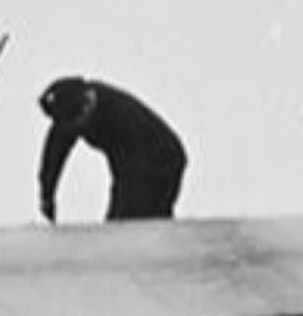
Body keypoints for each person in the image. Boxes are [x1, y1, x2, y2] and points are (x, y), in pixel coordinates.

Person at [35, 76, 189, 222]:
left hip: (163, 159)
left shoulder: (122, 117)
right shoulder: (67, 116)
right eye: (74, 124)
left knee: (141, 218)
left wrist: (118, 220)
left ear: (87, 100)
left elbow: (129, 175)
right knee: (125, 221)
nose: (80, 125)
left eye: (82, 117)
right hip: (132, 164)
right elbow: (53, 157)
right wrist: (47, 196)